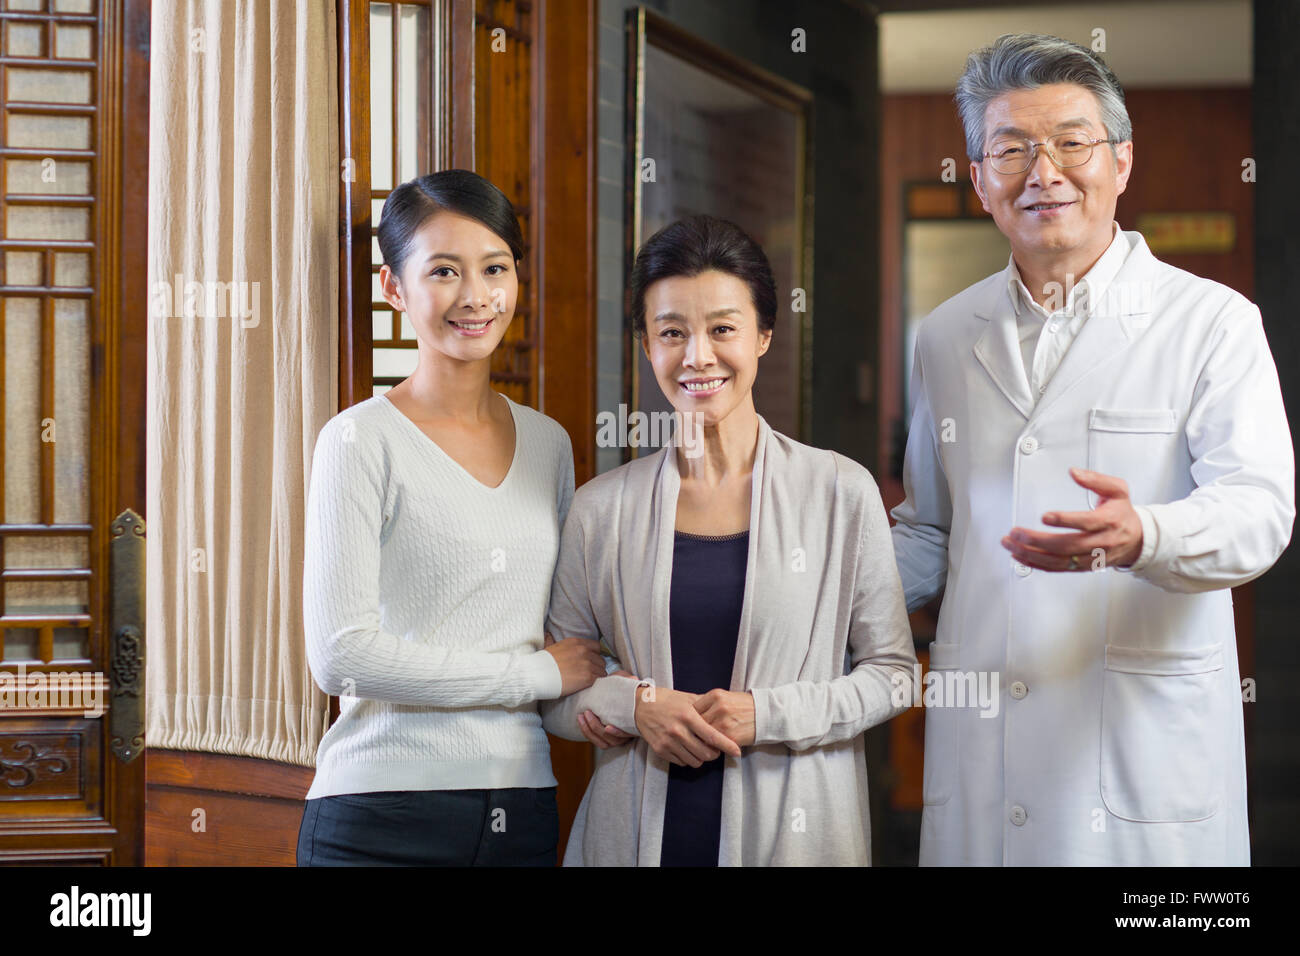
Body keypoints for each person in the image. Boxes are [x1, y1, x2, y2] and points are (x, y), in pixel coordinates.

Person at [891, 33, 1294, 865]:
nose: (1044, 173)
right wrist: (791, 570)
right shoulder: (946, 334)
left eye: (1071, 143)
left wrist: (1144, 534)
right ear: (978, 179)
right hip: (985, 747)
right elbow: (932, 531)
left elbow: (1260, 510)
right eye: (1011, 149)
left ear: (1121, 162)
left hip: (1140, 748)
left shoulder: (1212, 323)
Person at [540, 214, 917, 866]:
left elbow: (893, 677)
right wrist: (636, 706)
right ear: (645, 345)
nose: (697, 356)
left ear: (765, 335)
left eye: (722, 329)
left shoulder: (838, 491)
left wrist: (765, 715)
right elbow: (555, 687)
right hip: (634, 831)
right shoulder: (602, 508)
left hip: (796, 832)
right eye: (671, 333)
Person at [297, 169, 606, 866]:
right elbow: (341, 654)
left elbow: (567, 637)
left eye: (495, 268)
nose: (475, 296)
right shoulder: (358, 439)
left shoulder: (549, 444)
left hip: (521, 806)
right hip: (378, 814)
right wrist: (528, 678)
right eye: (443, 271)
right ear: (394, 288)